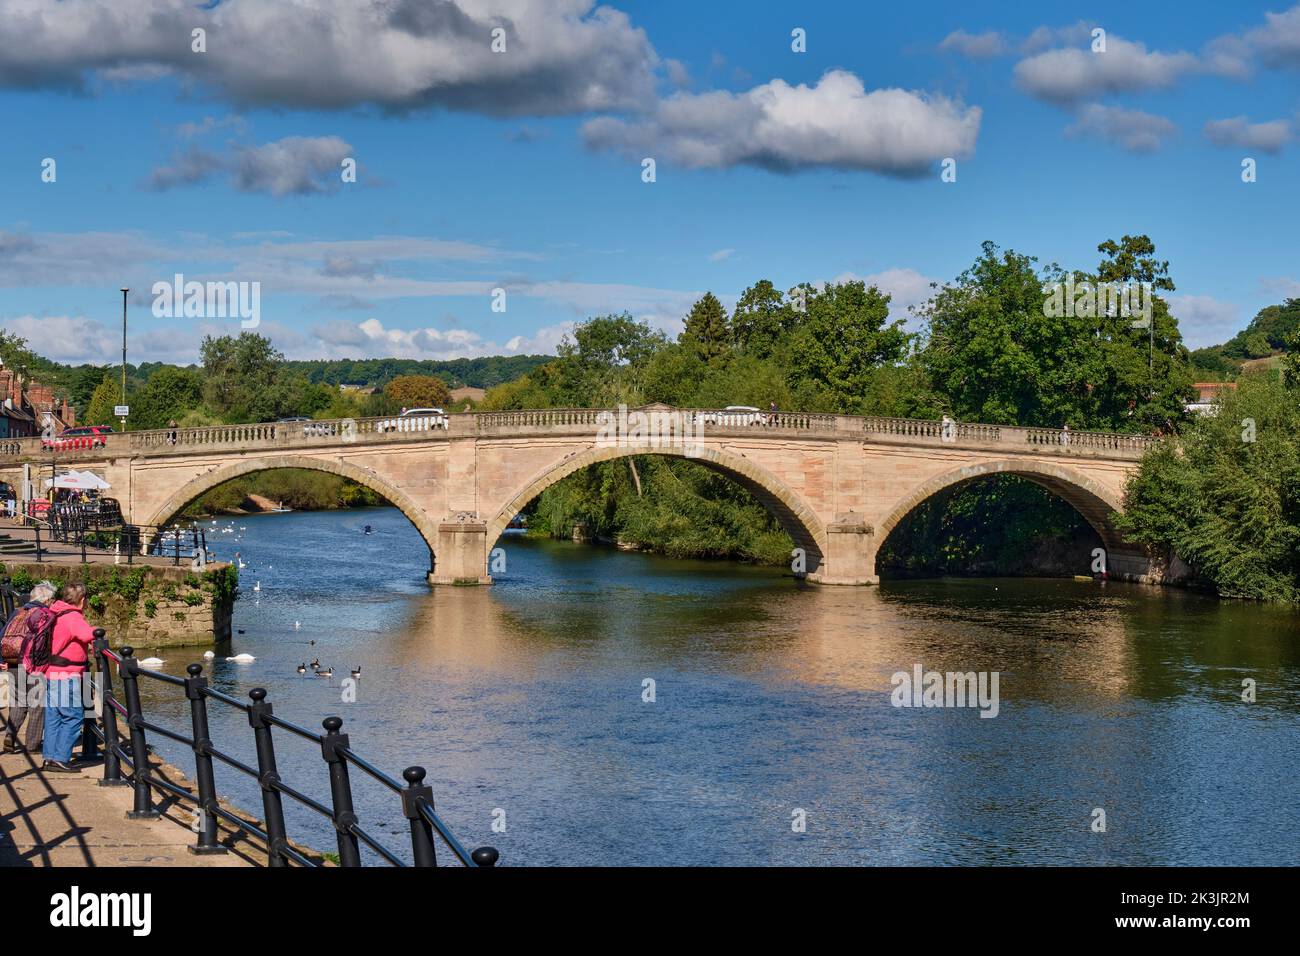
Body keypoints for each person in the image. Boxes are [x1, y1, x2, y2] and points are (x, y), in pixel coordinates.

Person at [40, 582, 96, 772]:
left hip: (52, 672)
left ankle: (49, 757)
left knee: (54, 717)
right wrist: (98, 634)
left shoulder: (56, 611)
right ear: (82, 600)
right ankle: (60, 757)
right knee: (73, 717)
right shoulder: (72, 616)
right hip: (66, 675)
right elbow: (88, 635)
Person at [1, 581, 57, 755]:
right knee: (37, 705)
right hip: (35, 665)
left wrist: (2, 659)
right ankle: (32, 745)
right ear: (47, 600)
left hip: (13, 662)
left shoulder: (17, 612)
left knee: (18, 702)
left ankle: (10, 734)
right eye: (52, 599)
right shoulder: (45, 614)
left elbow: (2, 634)